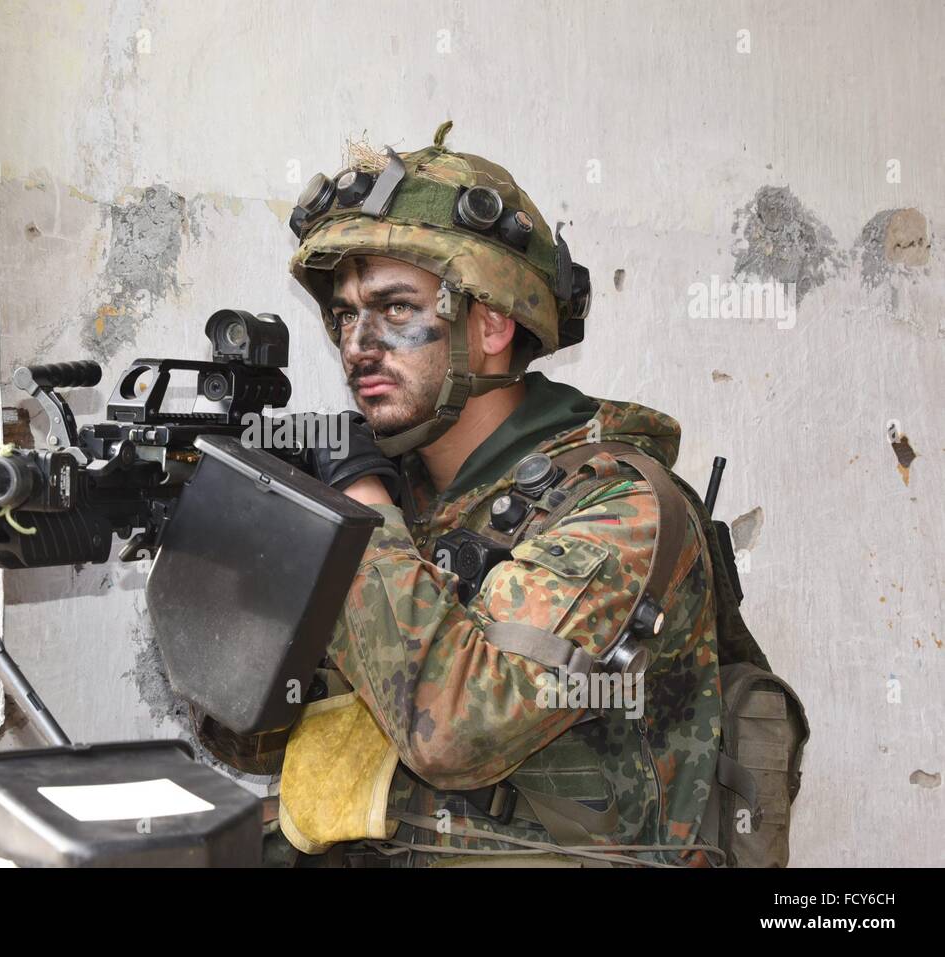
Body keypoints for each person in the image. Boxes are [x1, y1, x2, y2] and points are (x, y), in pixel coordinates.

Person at [195, 123, 723, 867]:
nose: (356, 344)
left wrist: (357, 507)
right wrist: (232, 551)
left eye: (398, 308)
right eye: (345, 313)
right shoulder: (404, 497)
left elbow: (452, 729)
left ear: (494, 321)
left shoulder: (619, 510)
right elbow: (247, 737)